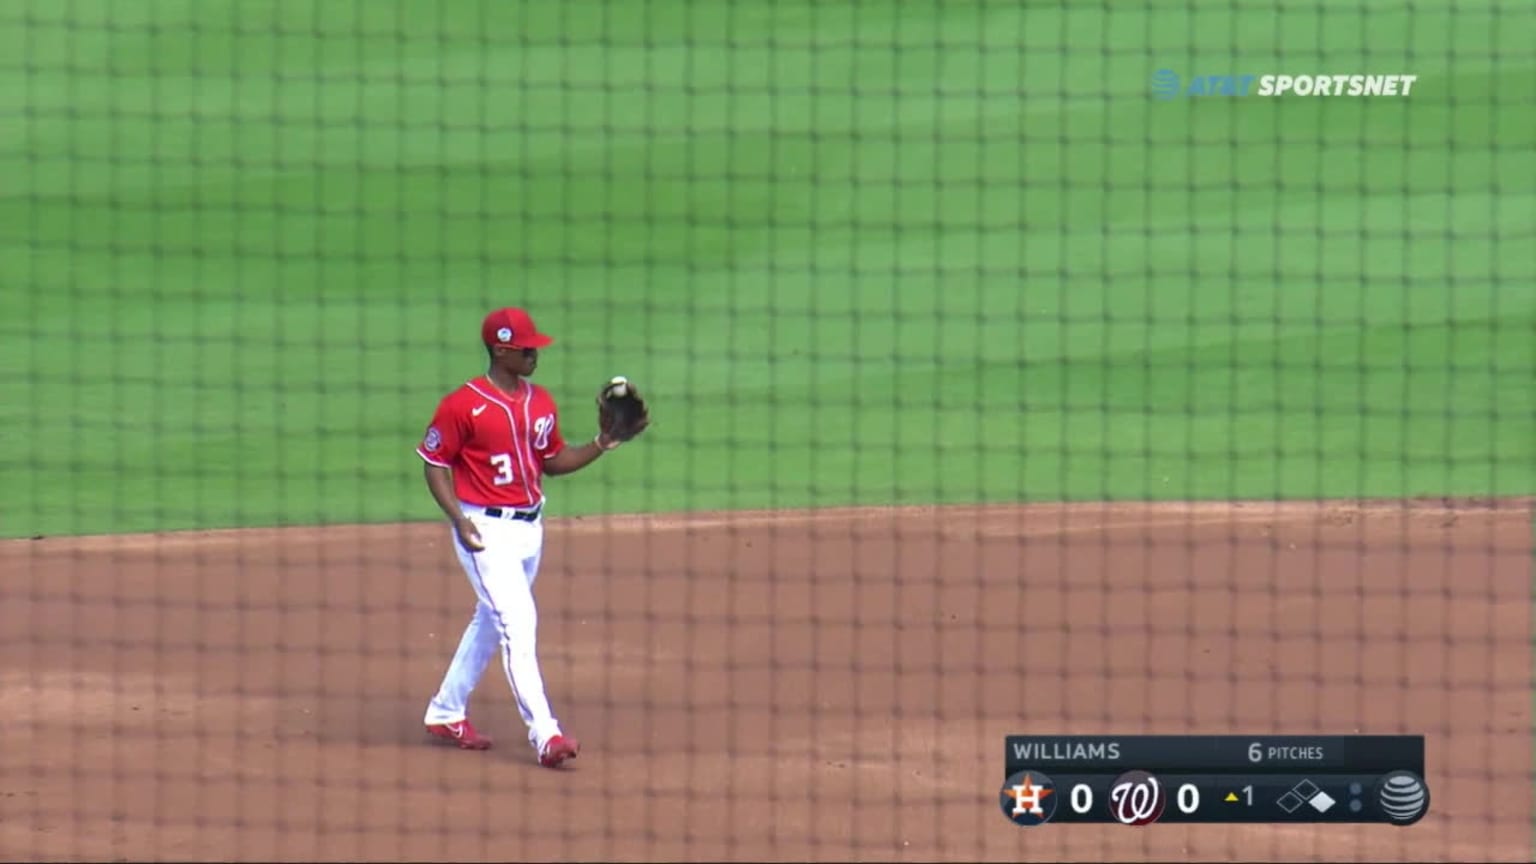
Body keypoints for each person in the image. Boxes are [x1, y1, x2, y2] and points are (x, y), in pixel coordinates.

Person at [413, 307, 630, 768]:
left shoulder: (540, 402)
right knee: (519, 623)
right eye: (526, 347)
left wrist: (602, 443)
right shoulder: (462, 405)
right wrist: (457, 518)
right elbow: (434, 463)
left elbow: (551, 462)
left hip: (531, 530)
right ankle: (546, 735)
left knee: (491, 622)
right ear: (501, 349)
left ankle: (446, 711)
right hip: (483, 529)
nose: (535, 353)